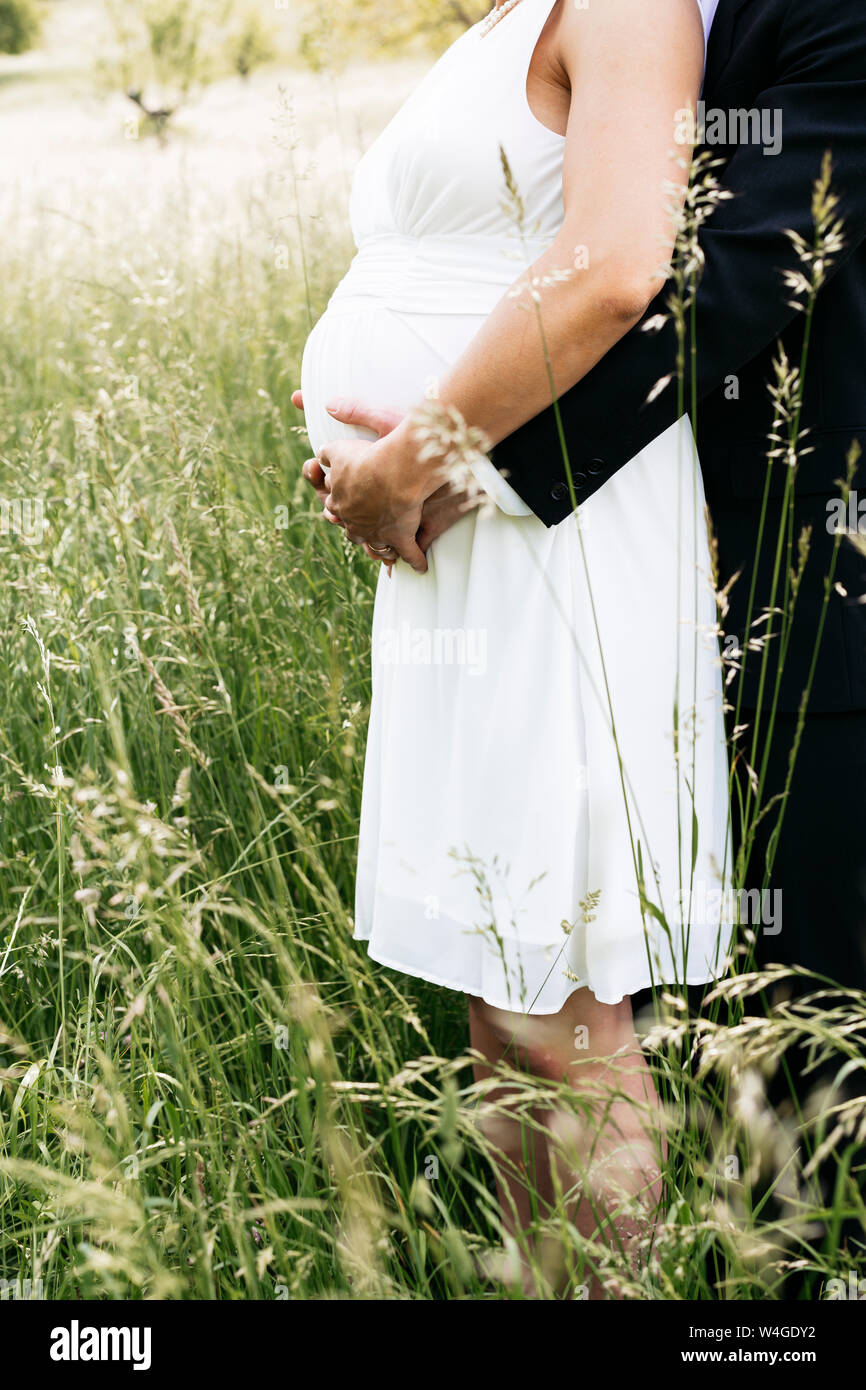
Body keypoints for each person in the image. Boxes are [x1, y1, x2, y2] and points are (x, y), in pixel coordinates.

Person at [294, 0, 733, 1292]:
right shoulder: (500, 18)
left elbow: (610, 263)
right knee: (501, 998)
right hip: (458, 544)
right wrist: (367, 468)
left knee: (562, 1010)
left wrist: (409, 459)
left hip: (554, 537)